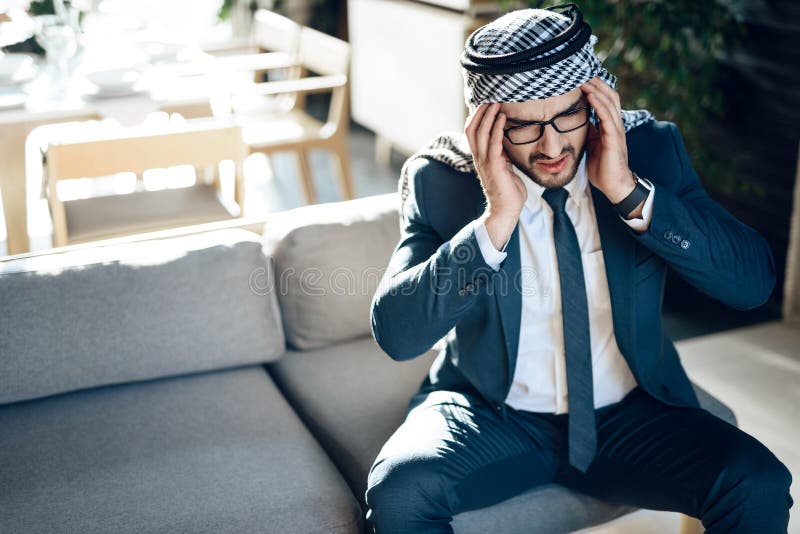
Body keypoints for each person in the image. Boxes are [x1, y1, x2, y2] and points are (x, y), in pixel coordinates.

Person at [365, 3, 793, 533]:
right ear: (488, 127)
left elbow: (752, 283)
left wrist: (628, 192)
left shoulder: (651, 151)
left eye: (567, 116)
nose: (551, 146)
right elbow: (398, 334)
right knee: (401, 494)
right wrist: (496, 219)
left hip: (631, 414)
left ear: (594, 100)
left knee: (758, 481)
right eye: (524, 127)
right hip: (493, 416)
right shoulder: (441, 181)